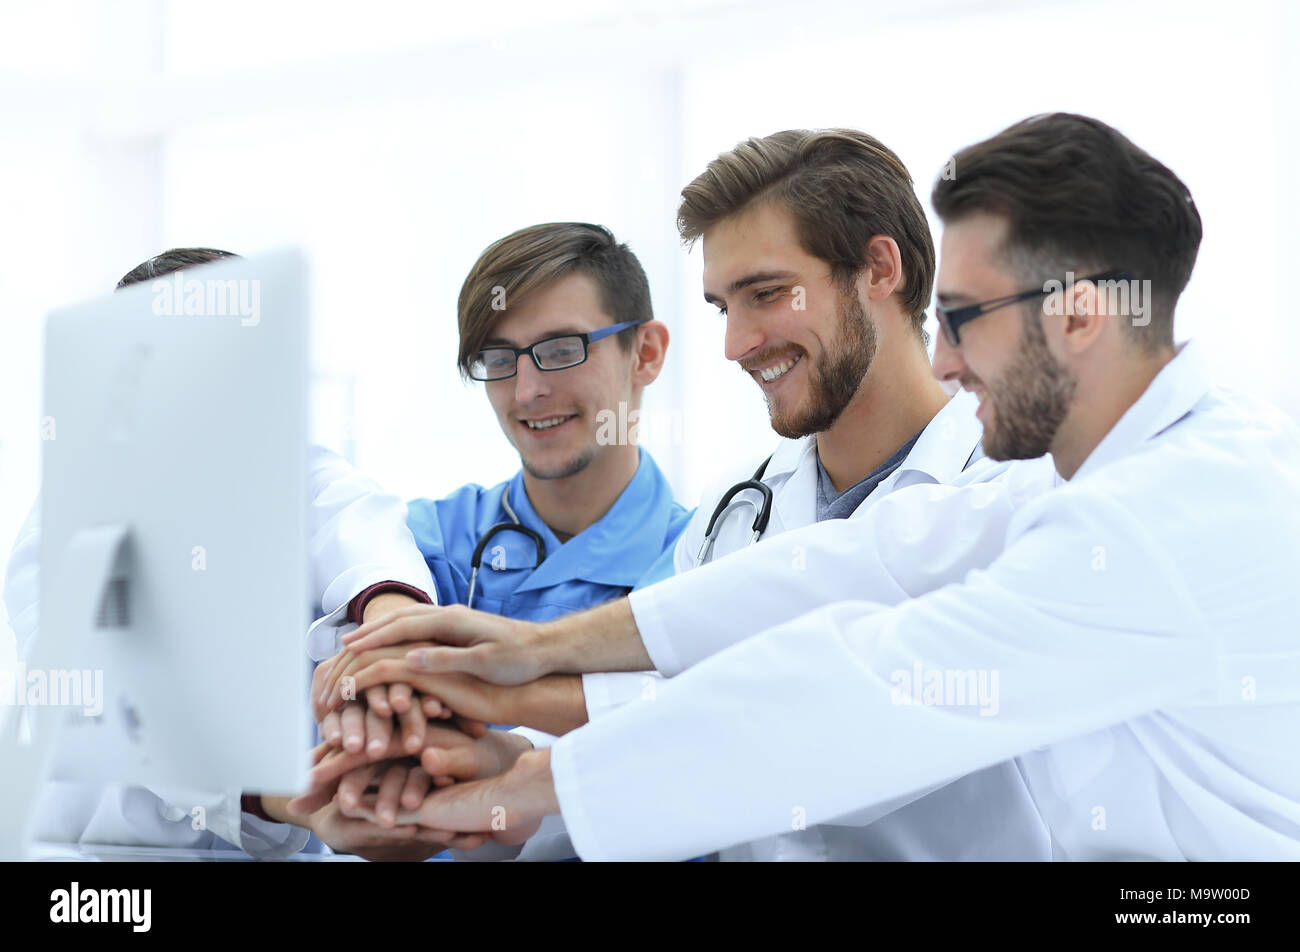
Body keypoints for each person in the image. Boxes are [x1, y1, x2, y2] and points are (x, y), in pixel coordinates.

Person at [334, 113, 1300, 861]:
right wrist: (525, 656)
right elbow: (858, 566)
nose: (948, 357)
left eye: (965, 318)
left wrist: (537, 778)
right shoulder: (1088, 480)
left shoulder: (1169, 513)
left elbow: (863, 688)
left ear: (1081, 315)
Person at [2, 247, 443, 859]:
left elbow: (358, 527)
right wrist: (282, 799)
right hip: (108, 859)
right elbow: (108, 695)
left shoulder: (295, 469)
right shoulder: (76, 507)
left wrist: (389, 624)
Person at [259, 222, 690, 845]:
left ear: (645, 353)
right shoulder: (420, 545)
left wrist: (501, 767)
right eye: (498, 359)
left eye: (562, 348)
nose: (528, 389)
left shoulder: (700, 560)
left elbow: (675, 765)